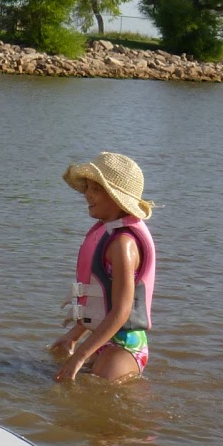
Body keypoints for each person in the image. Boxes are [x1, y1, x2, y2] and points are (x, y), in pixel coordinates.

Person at [50, 151, 156, 383]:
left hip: (124, 347)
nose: (87, 195)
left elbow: (121, 312)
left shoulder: (122, 245)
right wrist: (73, 336)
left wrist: (78, 357)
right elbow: (101, 300)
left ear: (116, 197)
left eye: (95, 189)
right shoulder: (107, 234)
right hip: (100, 338)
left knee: (93, 392)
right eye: (87, 187)